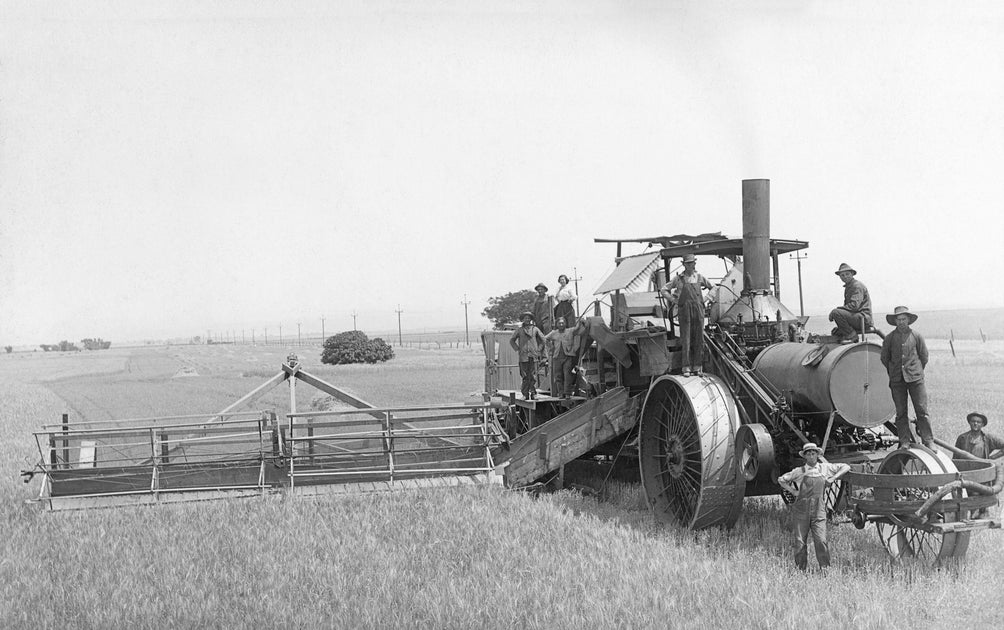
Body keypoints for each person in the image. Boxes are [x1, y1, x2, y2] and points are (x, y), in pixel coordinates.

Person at [777, 443, 851, 571]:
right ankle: (800, 571)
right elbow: (781, 480)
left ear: (817, 455)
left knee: (821, 541)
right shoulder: (799, 471)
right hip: (801, 511)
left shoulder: (824, 468)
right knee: (800, 542)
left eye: (813, 453)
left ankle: (825, 570)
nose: (811, 456)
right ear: (805, 456)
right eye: (808, 453)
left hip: (818, 511)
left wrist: (833, 478)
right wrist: (793, 491)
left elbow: (846, 466)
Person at [879, 306, 934, 449]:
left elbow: (924, 357)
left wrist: (916, 371)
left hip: (916, 380)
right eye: (899, 319)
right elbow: (885, 358)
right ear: (895, 321)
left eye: (904, 319)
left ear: (909, 320)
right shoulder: (890, 338)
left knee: (922, 410)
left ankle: (928, 440)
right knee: (901, 413)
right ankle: (904, 441)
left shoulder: (916, 336)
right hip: (897, 381)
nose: (901, 322)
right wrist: (894, 373)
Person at [660, 254, 713, 375]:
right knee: (686, 338)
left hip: (698, 310)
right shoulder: (678, 279)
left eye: (692, 263)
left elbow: (713, 287)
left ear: (695, 264)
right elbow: (664, 289)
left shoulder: (699, 277)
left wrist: (706, 298)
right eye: (687, 263)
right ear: (683, 264)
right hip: (684, 311)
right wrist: (674, 300)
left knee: (699, 338)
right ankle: (686, 367)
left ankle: (698, 367)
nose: (690, 265)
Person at [828, 263, 872, 342]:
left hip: (863, 319)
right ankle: (849, 336)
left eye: (847, 274)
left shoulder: (857, 286)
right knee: (836, 331)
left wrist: (835, 311)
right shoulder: (849, 287)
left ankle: (852, 336)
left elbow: (854, 306)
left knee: (836, 312)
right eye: (842, 275)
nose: (845, 277)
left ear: (852, 274)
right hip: (857, 318)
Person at [509, 311, 547, 400]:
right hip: (523, 357)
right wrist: (518, 349)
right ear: (523, 319)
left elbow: (543, 340)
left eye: (529, 318)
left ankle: (533, 393)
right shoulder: (519, 330)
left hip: (533, 356)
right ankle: (525, 394)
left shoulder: (535, 329)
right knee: (525, 376)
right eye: (525, 318)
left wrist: (538, 349)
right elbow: (512, 340)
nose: (527, 319)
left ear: (531, 319)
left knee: (533, 376)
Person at [545, 316, 580, 398]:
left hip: (567, 357)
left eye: (562, 323)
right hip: (556, 357)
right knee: (558, 376)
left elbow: (577, 328)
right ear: (557, 324)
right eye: (559, 323)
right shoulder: (554, 333)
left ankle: (567, 393)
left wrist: (580, 321)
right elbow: (545, 338)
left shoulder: (570, 331)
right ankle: (561, 393)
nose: (561, 324)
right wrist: (550, 347)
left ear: (565, 324)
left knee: (567, 375)